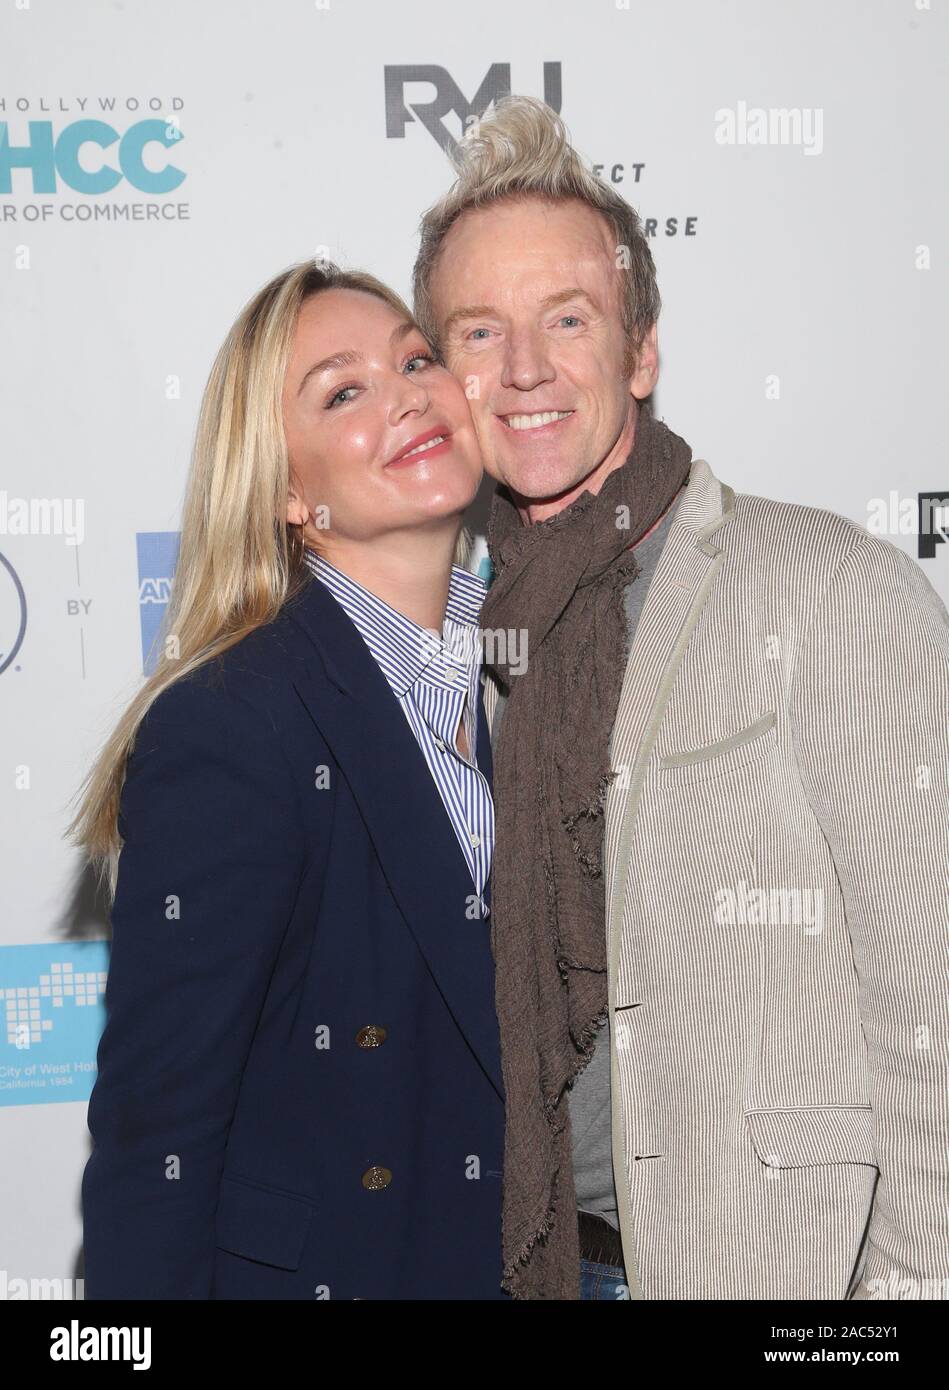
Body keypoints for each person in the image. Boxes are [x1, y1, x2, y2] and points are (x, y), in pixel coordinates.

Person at [412, 95, 949, 1301]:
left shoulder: (827, 591)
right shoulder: (441, 637)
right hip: (527, 1263)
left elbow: (937, 1003)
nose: (527, 370)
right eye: (480, 333)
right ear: (441, 375)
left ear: (640, 348)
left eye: (568, 318)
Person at [69, 261, 507, 1300]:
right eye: (342, 390)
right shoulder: (232, 722)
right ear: (285, 490)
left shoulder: (523, 677)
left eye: (416, 359)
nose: (405, 393)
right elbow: (156, 1140)